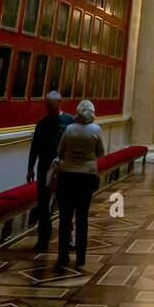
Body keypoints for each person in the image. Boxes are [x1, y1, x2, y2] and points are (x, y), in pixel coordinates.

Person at [54, 98, 105, 268]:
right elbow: (100, 153)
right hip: (86, 177)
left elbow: (59, 152)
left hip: (67, 176)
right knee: (82, 217)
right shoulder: (96, 130)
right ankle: (81, 257)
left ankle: (63, 256)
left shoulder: (69, 129)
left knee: (65, 218)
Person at [26, 91, 74, 251]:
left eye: (51, 105)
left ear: (60, 103)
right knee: (43, 204)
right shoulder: (42, 123)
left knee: (65, 204)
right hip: (45, 167)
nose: (48, 108)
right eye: (47, 105)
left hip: (63, 168)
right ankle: (43, 237)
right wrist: (30, 168)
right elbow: (35, 147)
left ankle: (67, 237)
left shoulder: (70, 122)